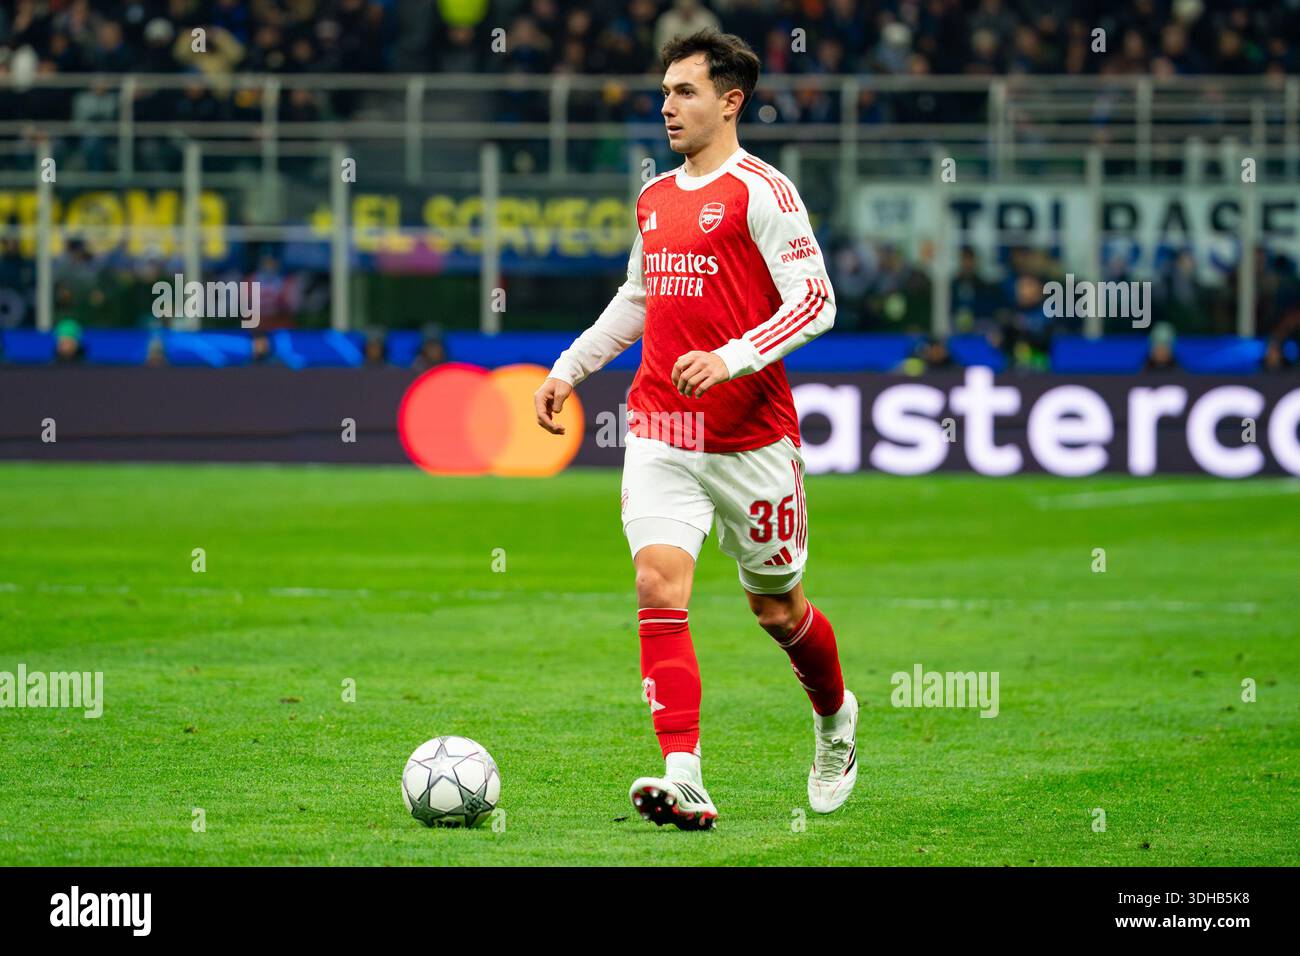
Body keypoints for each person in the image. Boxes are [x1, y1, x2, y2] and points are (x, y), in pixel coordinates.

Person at [533, 30, 855, 831]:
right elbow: (639, 298)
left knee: (778, 611)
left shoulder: (764, 192)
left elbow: (816, 302)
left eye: (684, 92)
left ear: (730, 101)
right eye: (666, 91)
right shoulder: (655, 197)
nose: (667, 105)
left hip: (752, 441)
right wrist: (569, 368)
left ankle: (834, 720)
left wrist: (734, 356)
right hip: (662, 429)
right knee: (656, 583)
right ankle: (685, 773)